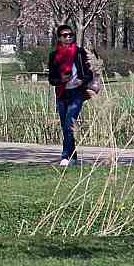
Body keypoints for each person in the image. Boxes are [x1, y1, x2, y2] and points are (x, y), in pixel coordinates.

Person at [47, 24, 95, 167]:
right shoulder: (54, 55)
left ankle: (65, 156)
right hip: (62, 93)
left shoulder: (80, 53)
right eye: (64, 35)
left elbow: (89, 73)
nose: (68, 37)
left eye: (70, 35)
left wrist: (82, 80)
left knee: (69, 124)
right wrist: (60, 80)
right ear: (59, 38)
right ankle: (73, 156)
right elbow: (51, 79)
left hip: (76, 93)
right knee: (65, 126)